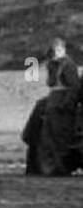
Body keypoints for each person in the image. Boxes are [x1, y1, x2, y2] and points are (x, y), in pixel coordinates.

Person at [22, 38, 82, 175]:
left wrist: (67, 103)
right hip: (58, 105)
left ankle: (55, 166)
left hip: (61, 105)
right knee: (53, 137)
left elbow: (74, 87)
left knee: (57, 137)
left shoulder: (67, 66)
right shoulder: (56, 65)